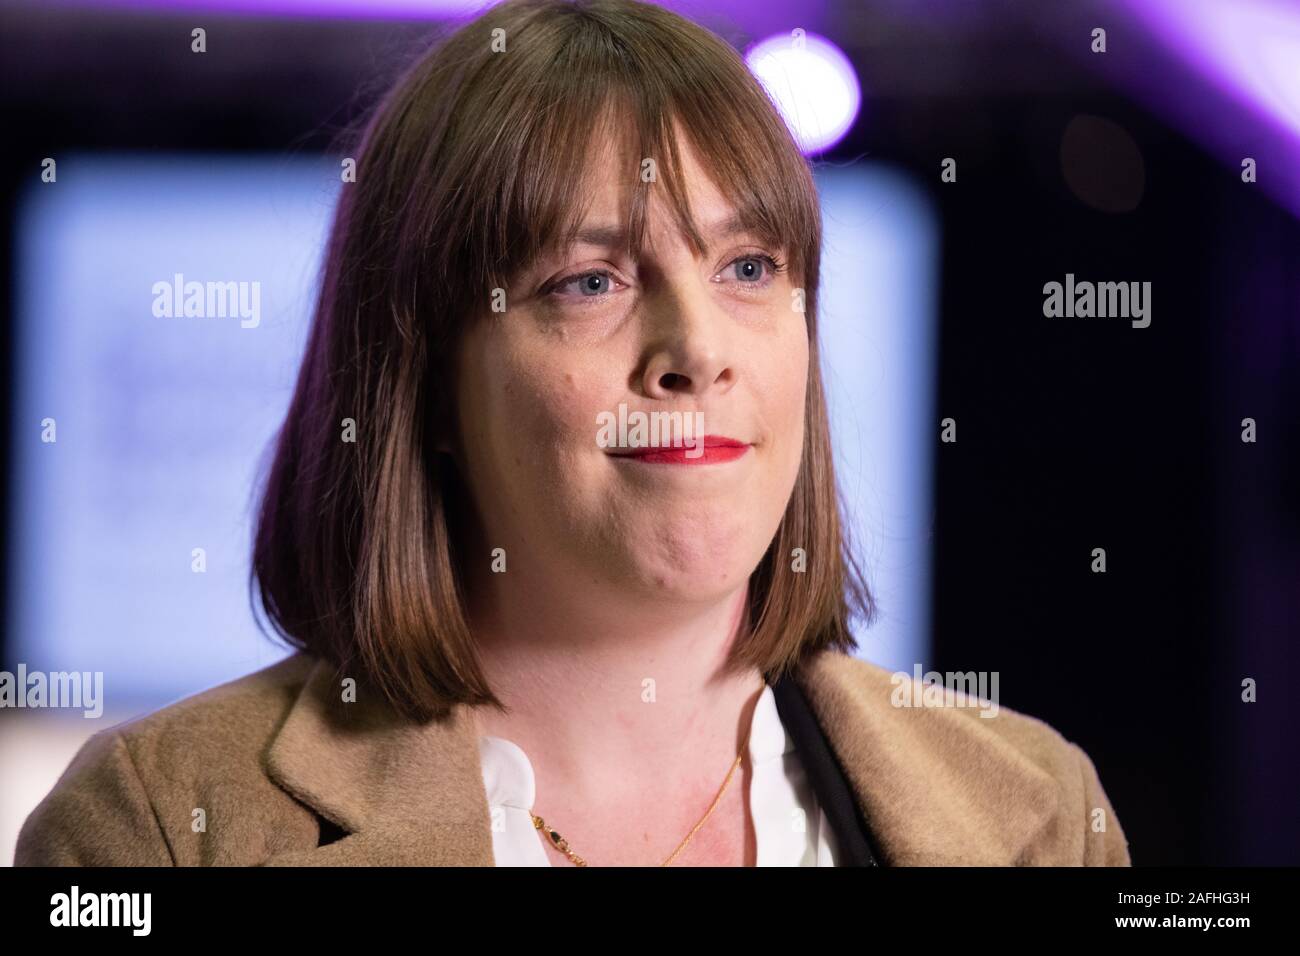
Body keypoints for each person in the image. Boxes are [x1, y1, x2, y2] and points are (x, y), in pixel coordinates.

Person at [14, 0, 1129, 867]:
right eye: (588, 279)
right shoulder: (163, 824)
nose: (697, 346)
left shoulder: (1032, 811)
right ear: (425, 380)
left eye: (749, 267)